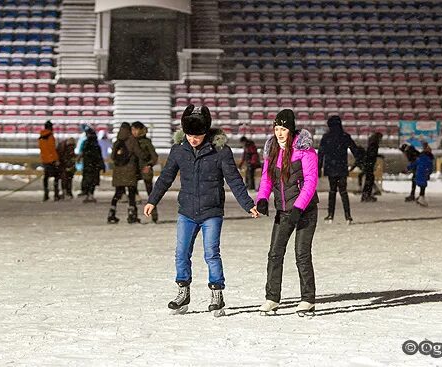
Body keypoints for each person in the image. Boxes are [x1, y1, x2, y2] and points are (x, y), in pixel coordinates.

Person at [143, 105, 259, 316]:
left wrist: (247, 203)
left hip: (211, 211)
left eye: (197, 135)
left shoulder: (220, 151)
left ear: (206, 132)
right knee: (181, 253)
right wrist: (153, 200)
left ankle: (217, 294)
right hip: (186, 211)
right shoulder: (179, 149)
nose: (193, 139)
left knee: (211, 254)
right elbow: (166, 177)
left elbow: (234, 179)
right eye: (189, 135)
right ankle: (183, 292)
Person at [256, 109, 319, 316]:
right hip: (283, 211)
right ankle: (272, 298)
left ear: (290, 129)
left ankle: (307, 299)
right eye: (276, 128)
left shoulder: (305, 150)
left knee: (301, 253)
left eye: (283, 129)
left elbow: (311, 182)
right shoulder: (272, 149)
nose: (279, 133)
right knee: (275, 254)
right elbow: (266, 178)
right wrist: (262, 198)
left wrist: (299, 208)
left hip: (305, 211)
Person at [317, 115, 355, 224]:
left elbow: (320, 154)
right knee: (343, 192)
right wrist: (362, 163)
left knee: (332, 191)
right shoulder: (345, 136)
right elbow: (355, 150)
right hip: (342, 167)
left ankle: (330, 215)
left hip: (330, 167)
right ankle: (348, 217)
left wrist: (318, 169)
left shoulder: (326, 137)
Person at [107, 122, 143, 224]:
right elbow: (139, 153)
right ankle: (132, 215)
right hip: (130, 171)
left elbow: (112, 157)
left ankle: (111, 213)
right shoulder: (132, 140)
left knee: (118, 193)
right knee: (131, 193)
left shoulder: (117, 142)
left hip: (118, 172)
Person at [132, 121, 159, 222]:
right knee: (132, 191)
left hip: (145, 169)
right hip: (133, 170)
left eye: (135, 129)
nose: (134, 132)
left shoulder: (146, 142)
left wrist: (149, 165)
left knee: (150, 193)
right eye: (132, 130)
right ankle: (133, 215)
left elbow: (154, 156)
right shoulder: (131, 141)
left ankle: (154, 214)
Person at [80, 128, 105, 203]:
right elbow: (99, 156)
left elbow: (84, 153)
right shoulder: (96, 144)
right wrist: (101, 165)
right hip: (94, 166)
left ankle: (88, 194)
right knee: (92, 181)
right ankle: (90, 194)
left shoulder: (86, 143)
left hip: (88, 165)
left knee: (88, 181)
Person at [38, 120, 60, 201]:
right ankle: (56, 194)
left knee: (46, 177)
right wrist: (56, 159)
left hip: (45, 160)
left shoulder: (41, 137)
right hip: (52, 160)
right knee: (56, 177)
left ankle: (46, 194)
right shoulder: (50, 137)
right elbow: (52, 149)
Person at [407, 141, 434, 207]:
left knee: (419, 184)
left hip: (418, 173)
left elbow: (413, 164)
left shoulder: (420, 158)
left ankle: (419, 197)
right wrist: (429, 173)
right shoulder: (429, 160)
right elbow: (430, 168)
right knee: (423, 186)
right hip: (423, 174)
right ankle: (421, 197)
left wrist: (408, 168)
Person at [361, 132, 382, 202]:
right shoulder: (374, 144)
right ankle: (367, 195)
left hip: (368, 163)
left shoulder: (372, 144)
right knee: (370, 179)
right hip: (369, 164)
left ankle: (365, 194)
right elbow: (371, 154)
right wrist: (376, 156)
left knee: (369, 179)